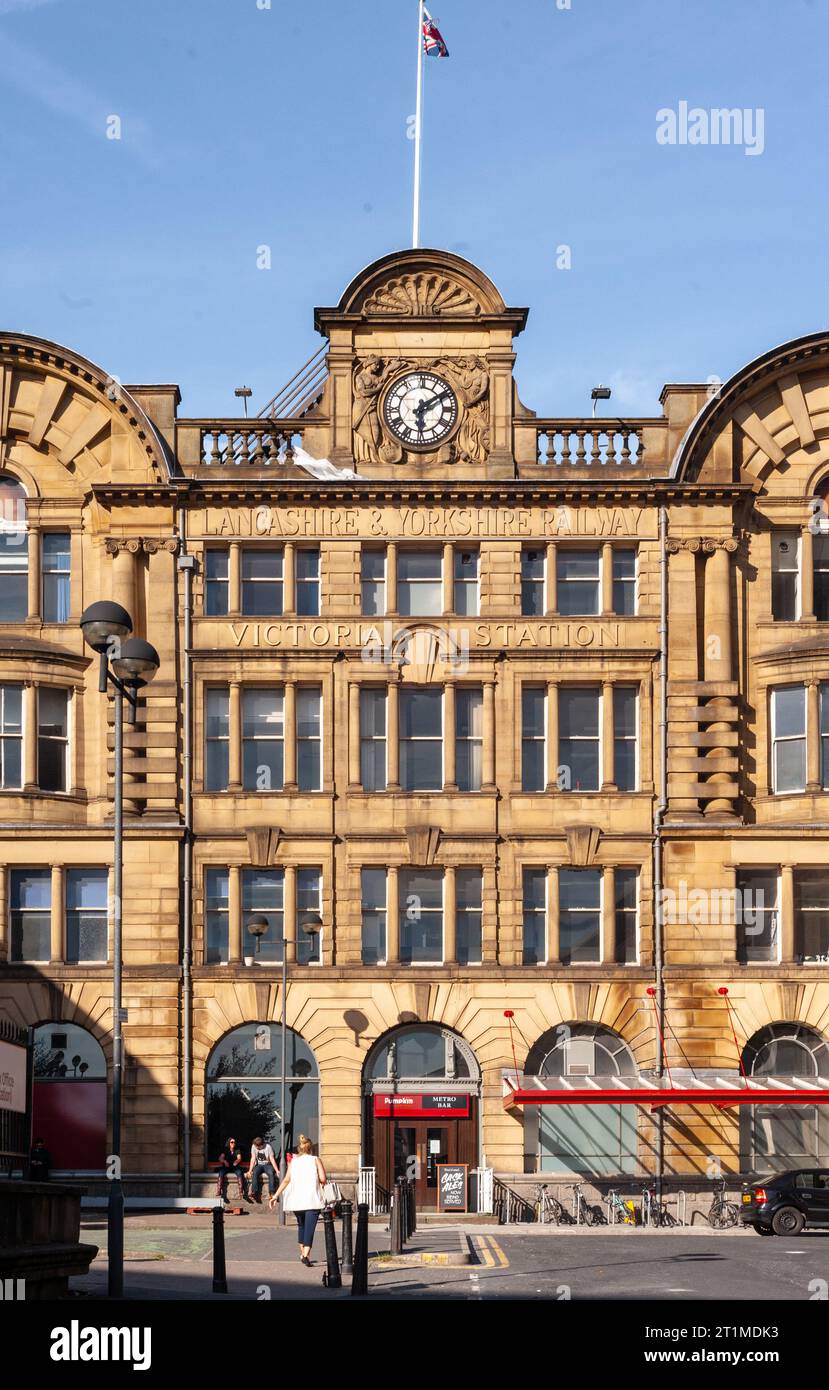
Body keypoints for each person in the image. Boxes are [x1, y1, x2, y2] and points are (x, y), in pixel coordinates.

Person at [272, 1134, 326, 1265]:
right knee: (310, 1228)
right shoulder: (315, 1159)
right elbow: (323, 1179)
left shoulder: (293, 1162)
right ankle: (306, 1254)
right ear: (310, 1148)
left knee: (301, 1226)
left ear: (300, 1149)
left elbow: (286, 1180)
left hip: (296, 1201)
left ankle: (302, 1254)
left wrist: (275, 1196)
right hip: (312, 1199)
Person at [215, 1136, 250, 1204]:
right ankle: (219, 1190)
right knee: (221, 1172)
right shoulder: (225, 1150)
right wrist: (225, 1161)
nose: (233, 1143)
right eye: (232, 1142)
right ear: (229, 1143)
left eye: (234, 1142)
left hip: (234, 1166)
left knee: (239, 1173)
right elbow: (220, 1158)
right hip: (227, 1165)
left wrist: (236, 1161)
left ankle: (241, 1191)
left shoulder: (237, 1150)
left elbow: (239, 1158)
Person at [248, 1135, 279, 1203]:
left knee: (271, 1173)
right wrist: (250, 1170)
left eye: (257, 1147)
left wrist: (277, 1170)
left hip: (268, 1164)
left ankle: (272, 1193)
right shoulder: (254, 1146)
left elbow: (272, 1159)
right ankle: (254, 1192)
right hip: (259, 1165)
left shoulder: (268, 1147)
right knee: (255, 1172)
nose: (255, 1148)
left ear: (262, 1145)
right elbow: (253, 1158)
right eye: (255, 1146)